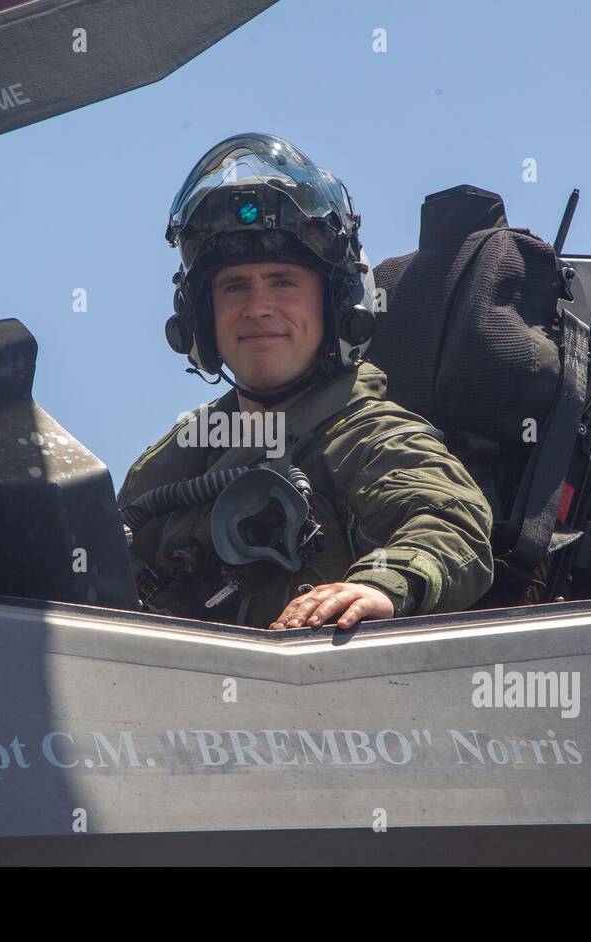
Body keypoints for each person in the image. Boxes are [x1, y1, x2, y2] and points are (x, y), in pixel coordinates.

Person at [118, 133, 493, 630]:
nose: (258, 307)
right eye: (235, 286)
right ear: (198, 318)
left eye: (283, 281)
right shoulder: (177, 458)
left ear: (337, 303)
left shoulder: (367, 432)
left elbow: (451, 524)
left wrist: (380, 586)